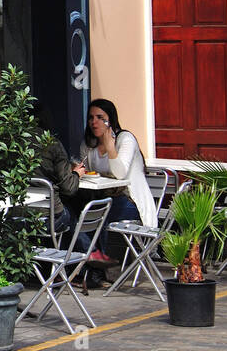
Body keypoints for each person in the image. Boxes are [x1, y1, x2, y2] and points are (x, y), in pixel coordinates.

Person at [79, 99, 157, 263]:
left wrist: (110, 148)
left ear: (111, 120)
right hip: (101, 196)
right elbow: (85, 171)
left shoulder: (125, 139)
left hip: (129, 201)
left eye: (100, 117)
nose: (94, 122)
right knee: (78, 208)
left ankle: (99, 259)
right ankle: (91, 256)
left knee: (98, 211)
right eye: (91, 117)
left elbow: (120, 173)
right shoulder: (89, 144)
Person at [31, 101, 84, 243]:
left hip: (15, 217)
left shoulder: (12, 144)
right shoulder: (52, 144)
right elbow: (69, 188)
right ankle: (85, 256)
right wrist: (77, 174)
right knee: (70, 213)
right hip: (48, 218)